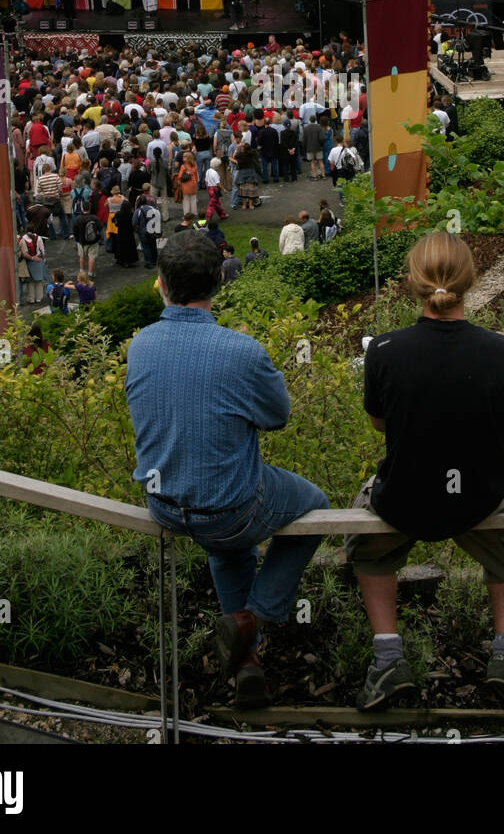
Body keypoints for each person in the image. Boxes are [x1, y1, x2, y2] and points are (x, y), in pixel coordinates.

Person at [125, 233, 329, 707]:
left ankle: (247, 665)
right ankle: (252, 618)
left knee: (228, 544)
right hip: (228, 508)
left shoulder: (141, 345)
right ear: (219, 282)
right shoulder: (241, 351)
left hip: (165, 505)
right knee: (313, 505)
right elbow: (278, 416)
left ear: (160, 285)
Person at [343, 232, 504, 713]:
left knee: (367, 550)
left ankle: (388, 659)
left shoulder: (384, 351)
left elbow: (379, 425)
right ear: (470, 283)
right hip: (480, 496)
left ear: (412, 283)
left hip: (404, 497)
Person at [72, 207, 101, 281]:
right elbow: (100, 227)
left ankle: (82, 272)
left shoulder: (78, 219)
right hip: (93, 241)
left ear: (82, 209)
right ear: (89, 208)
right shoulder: (94, 218)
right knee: (92, 257)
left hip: (81, 242)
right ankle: (90, 273)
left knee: (82, 256)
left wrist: (77, 239)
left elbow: (74, 230)